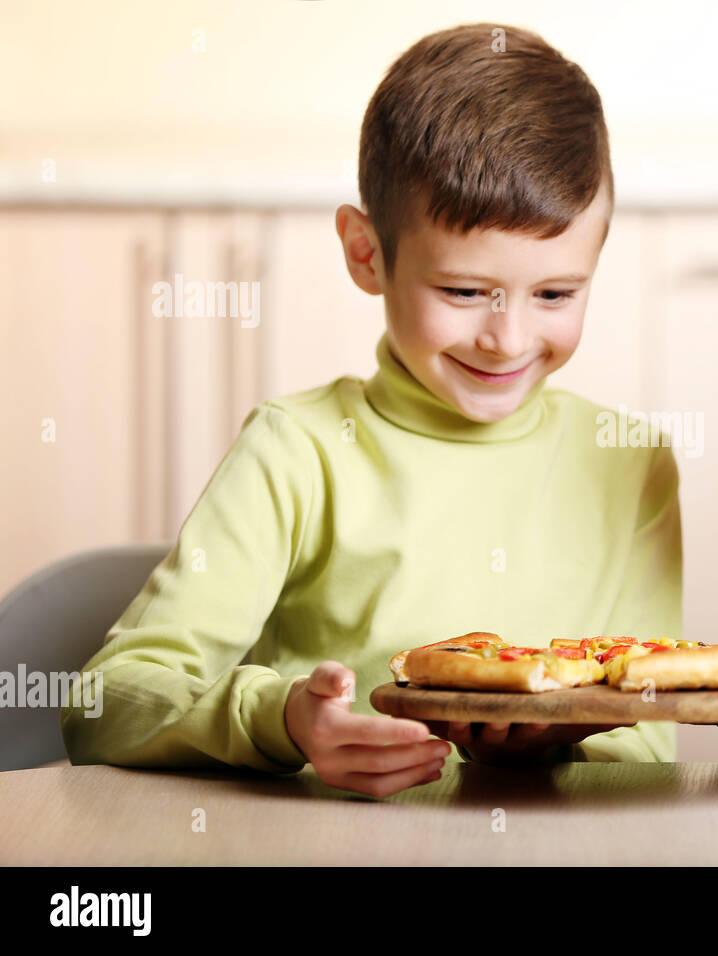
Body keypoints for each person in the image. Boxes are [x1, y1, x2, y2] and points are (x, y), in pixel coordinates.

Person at [61, 24, 680, 797]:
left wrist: (545, 750)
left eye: (556, 293)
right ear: (366, 253)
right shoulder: (297, 452)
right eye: (461, 292)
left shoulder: (630, 462)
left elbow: (648, 743)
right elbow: (103, 702)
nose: (507, 339)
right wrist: (283, 718)